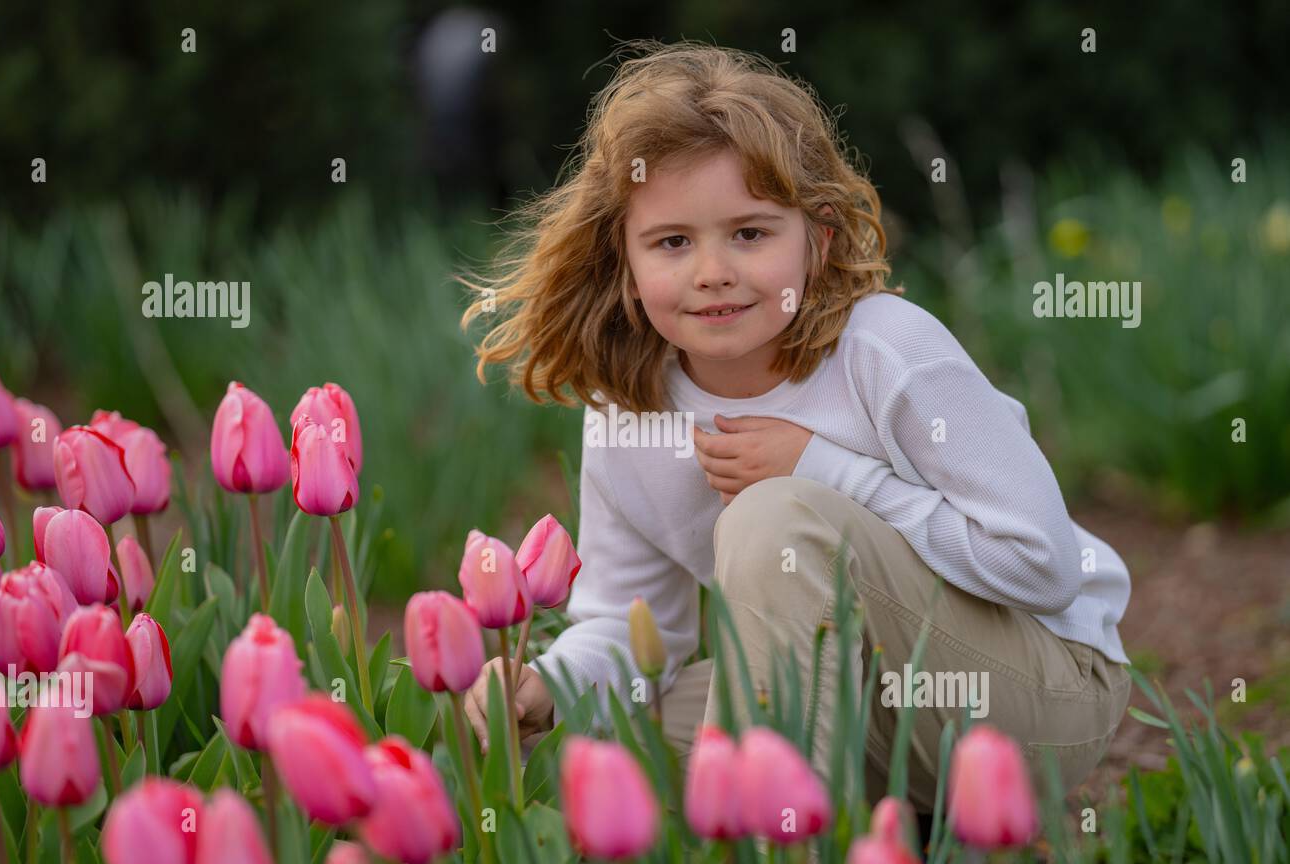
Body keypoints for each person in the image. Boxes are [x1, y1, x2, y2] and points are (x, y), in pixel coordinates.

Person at [455, 40, 1131, 811]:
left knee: (775, 518)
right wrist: (549, 687)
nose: (713, 271)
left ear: (821, 240)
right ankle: (868, 829)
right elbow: (635, 629)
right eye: (673, 242)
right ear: (625, 266)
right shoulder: (628, 410)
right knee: (589, 738)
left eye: (750, 233)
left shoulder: (886, 351)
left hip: (1034, 694)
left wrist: (826, 472)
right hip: (864, 705)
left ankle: (784, 844)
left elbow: (1044, 567)